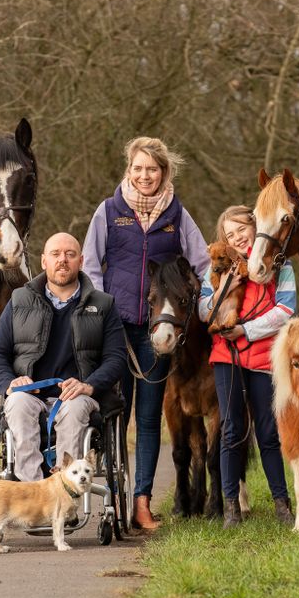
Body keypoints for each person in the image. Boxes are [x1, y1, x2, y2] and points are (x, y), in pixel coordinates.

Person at [83, 137, 210, 529]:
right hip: (116, 330)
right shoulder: (108, 211)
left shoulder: (177, 215)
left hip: (158, 334)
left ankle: (142, 503)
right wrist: (101, 311)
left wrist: (204, 309)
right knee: (115, 416)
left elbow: (202, 266)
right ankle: (115, 500)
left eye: (152, 169)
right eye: (138, 168)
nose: (144, 176)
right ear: (129, 169)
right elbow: (89, 266)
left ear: (164, 172)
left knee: (151, 418)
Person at [0, 232, 126, 481]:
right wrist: (10, 383)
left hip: (78, 396)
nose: (63, 260)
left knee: (73, 410)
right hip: (31, 395)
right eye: (56, 254)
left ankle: (64, 492)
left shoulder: (103, 304)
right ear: (43, 261)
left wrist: (89, 385)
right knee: (17, 404)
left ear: (81, 261)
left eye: (70, 254)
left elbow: (116, 358)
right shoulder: (19, 300)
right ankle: (31, 491)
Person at [198, 205, 295, 528]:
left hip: (265, 356)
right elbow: (202, 311)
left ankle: (282, 504)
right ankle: (230, 508)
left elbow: (285, 309)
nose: (237, 238)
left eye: (242, 230)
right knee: (231, 430)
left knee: (268, 432)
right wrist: (222, 288)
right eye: (230, 234)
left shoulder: (279, 263)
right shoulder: (216, 266)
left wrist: (247, 330)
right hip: (227, 357)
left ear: (254, 228)